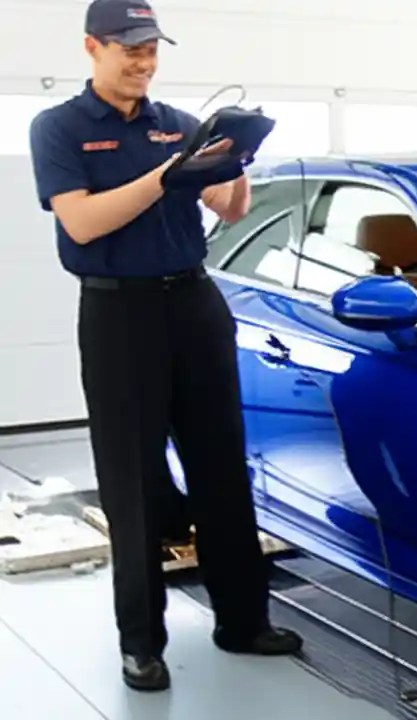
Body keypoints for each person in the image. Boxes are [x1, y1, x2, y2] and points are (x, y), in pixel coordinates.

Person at [27, 0, 302, 692]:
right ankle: (141, 643)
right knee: (134, 479)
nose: (144, 63)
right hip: (119, 316)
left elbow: (231, 209)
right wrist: (163, 178)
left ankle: (243, 621)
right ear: (93, 48)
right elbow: (83, 224)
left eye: (152, 50)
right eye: (130, 50)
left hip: (195, 304)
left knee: (221, 466)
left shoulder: (177, 124)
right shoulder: (57, 129)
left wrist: (234, 160)